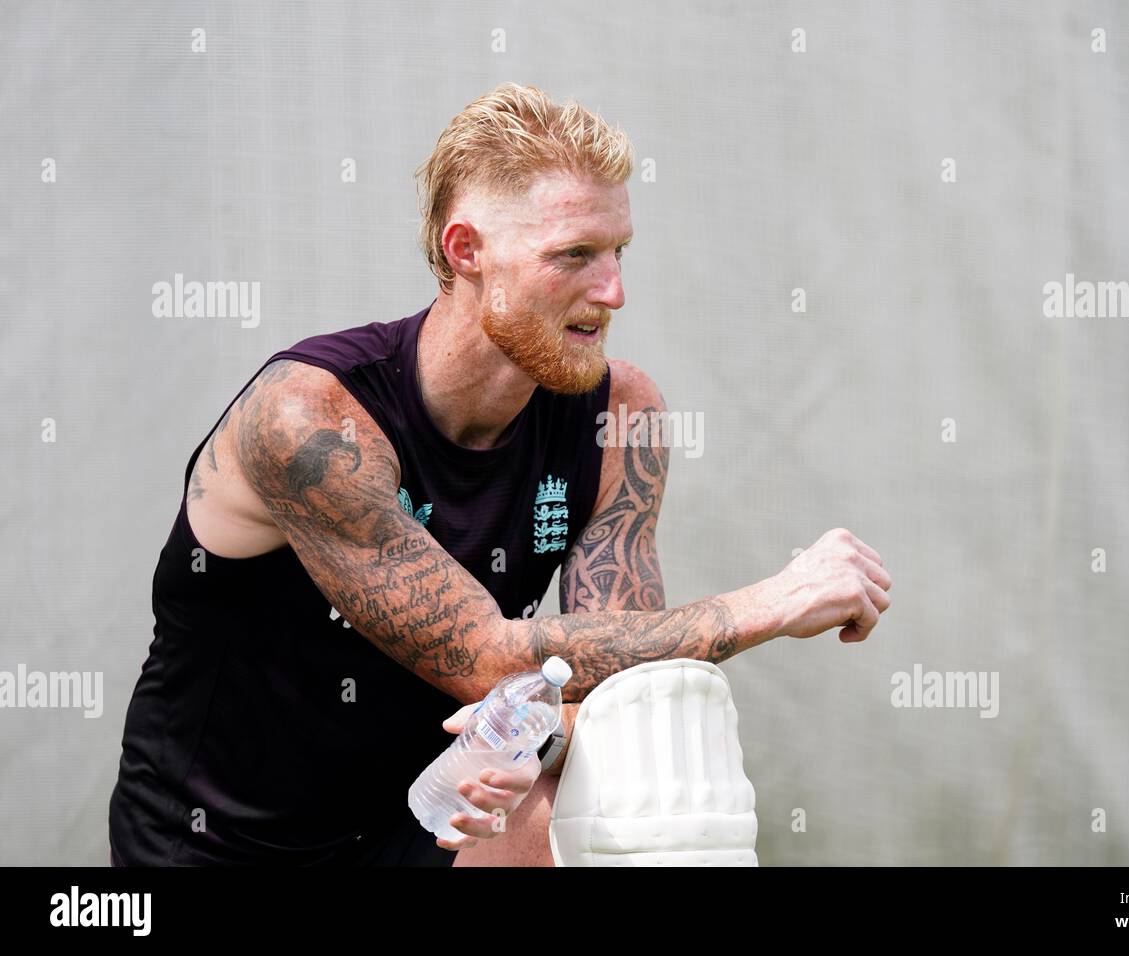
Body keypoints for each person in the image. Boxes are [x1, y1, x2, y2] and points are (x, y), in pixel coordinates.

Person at [108, 82, 892, 867]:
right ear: (466, 251)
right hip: (215, 845)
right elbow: (485, 655)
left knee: (633, 796)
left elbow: (611, 690)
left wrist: (532, 740)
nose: (614, 290)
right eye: (574, 256)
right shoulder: (309, 417)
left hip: (430, 822)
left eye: (619, 251)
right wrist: (775, 600)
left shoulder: (620, 410)